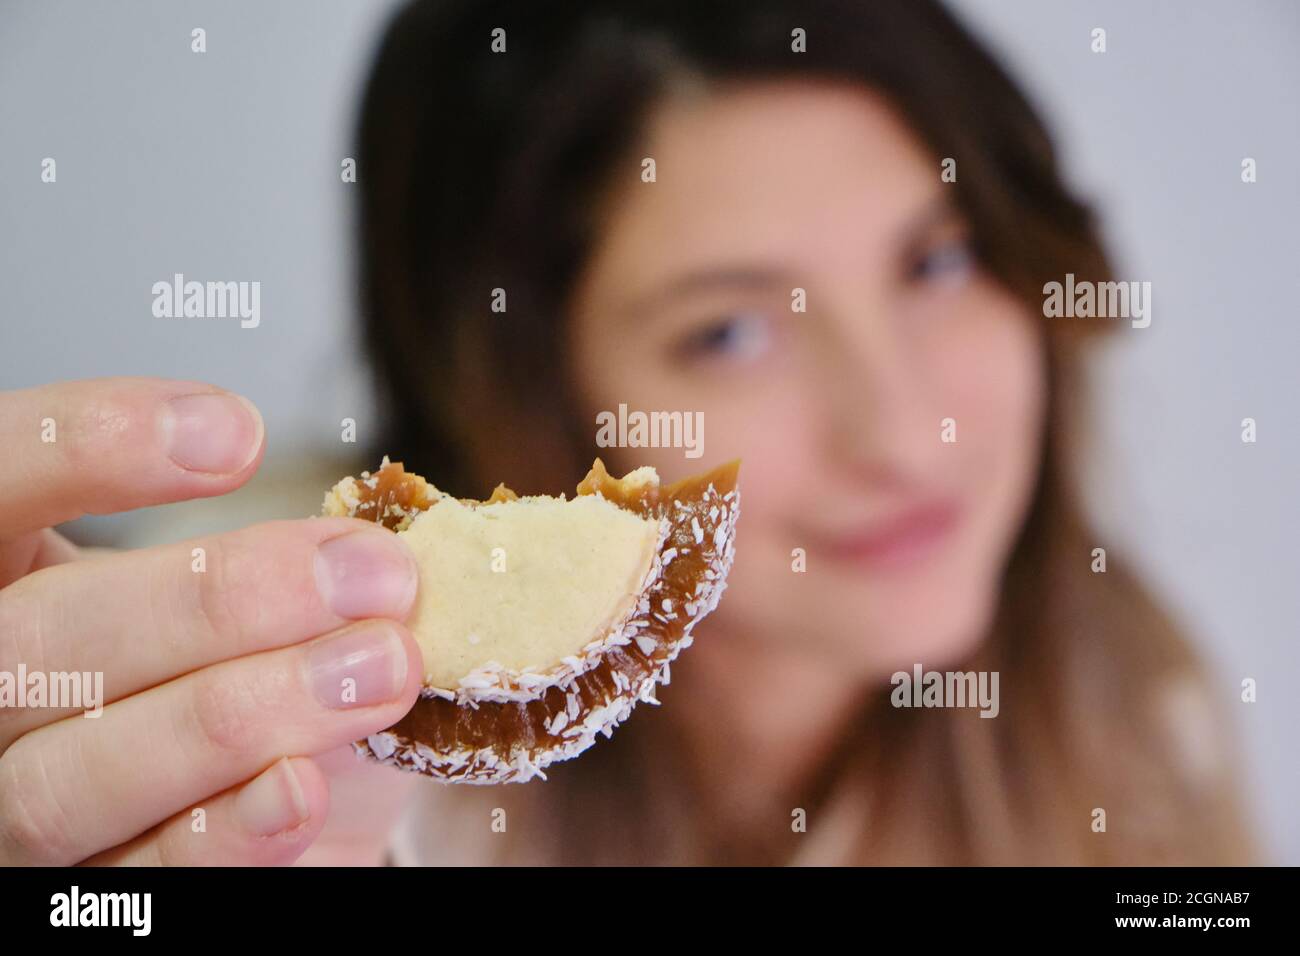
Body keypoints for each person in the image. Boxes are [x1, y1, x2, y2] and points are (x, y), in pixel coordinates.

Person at [0, 0, 1256, 866]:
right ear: (516, 379)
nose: (905, 434)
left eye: (937, 259)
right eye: (729, 333)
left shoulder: (1134, 710)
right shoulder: (253, 741)